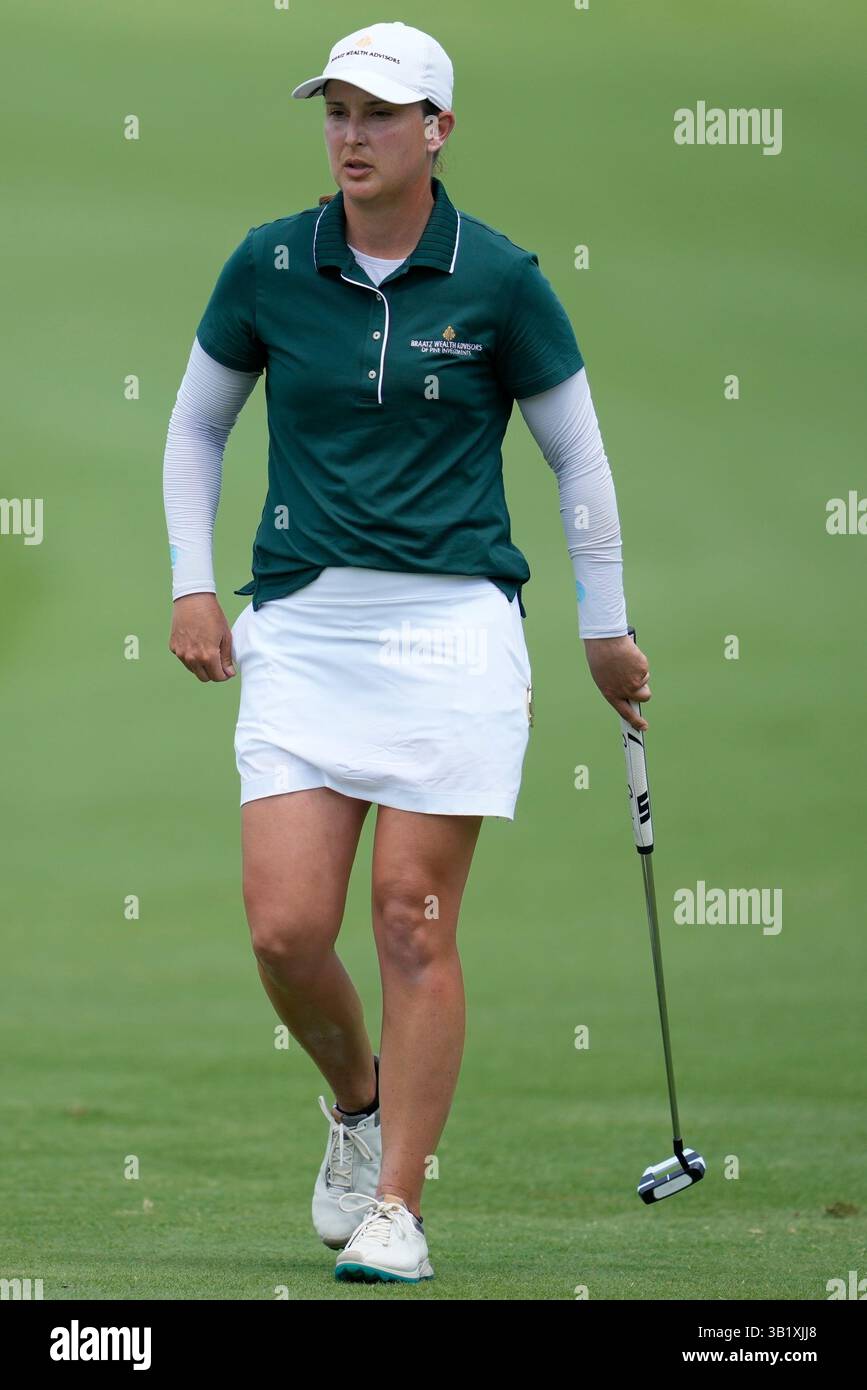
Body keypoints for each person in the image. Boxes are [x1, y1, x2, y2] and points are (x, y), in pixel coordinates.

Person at [162, 20, 651, 1285]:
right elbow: (197, 428)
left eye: (378, 115)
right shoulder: (271, 260)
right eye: (335, 113)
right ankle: (355, 1098)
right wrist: (192, 585)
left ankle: (397, 1208)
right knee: (283, 930)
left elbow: (577, 458)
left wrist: (605, 626)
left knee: (412, 924)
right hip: (305, 627)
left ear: (437, 129)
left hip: (452, 635)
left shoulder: (497, 278)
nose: (351, 136)